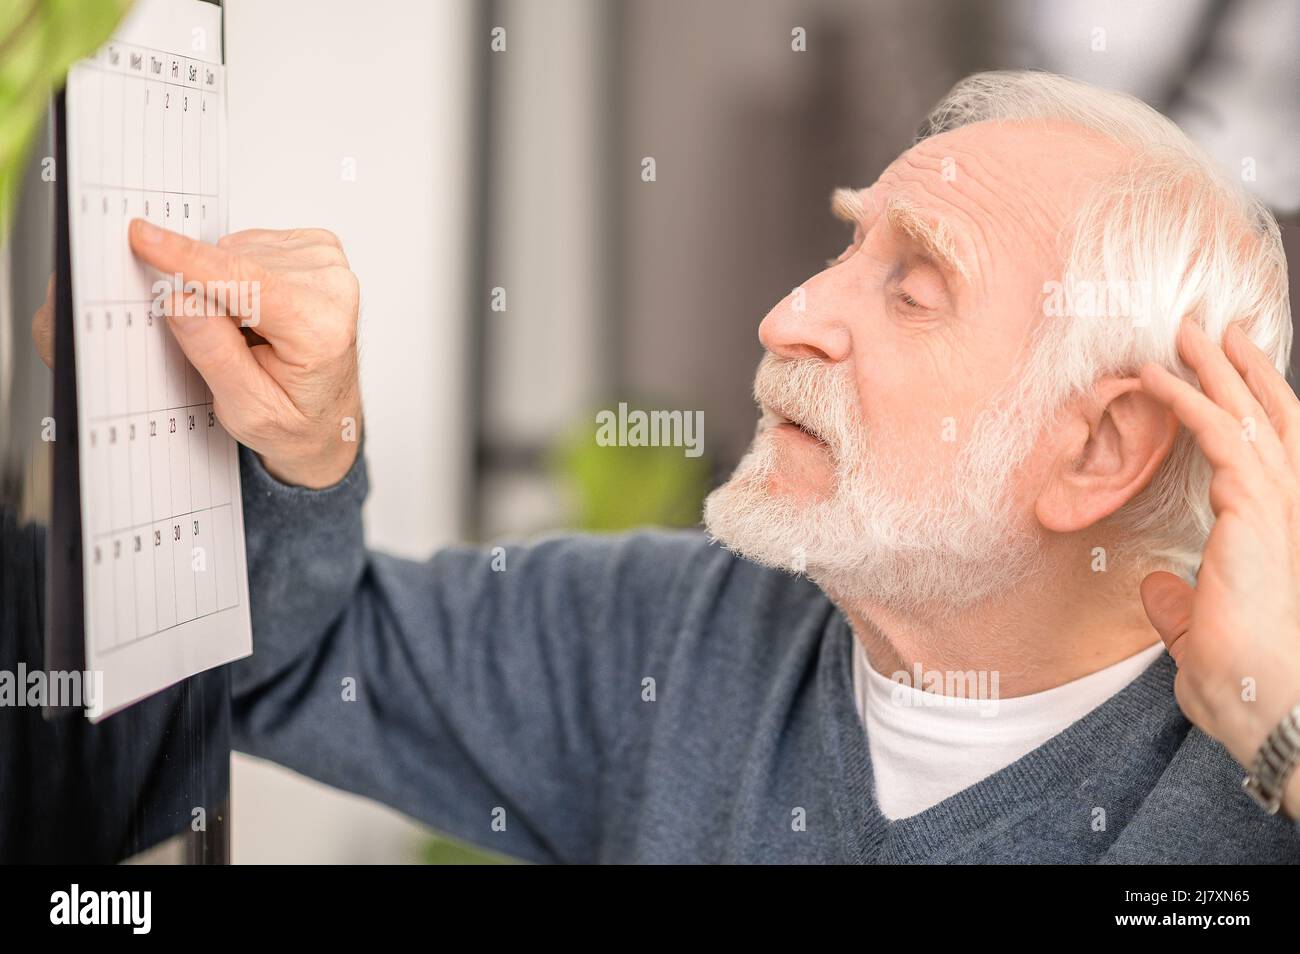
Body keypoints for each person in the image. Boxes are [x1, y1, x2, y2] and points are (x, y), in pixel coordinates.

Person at [28, 70, 1300, 862]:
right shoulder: (672, 638)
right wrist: (304, 453)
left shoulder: (1256, 781)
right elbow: (285, 663)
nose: (788, 313)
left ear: (1099, 449)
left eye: (913, 288)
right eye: (844, 251)